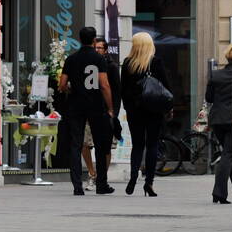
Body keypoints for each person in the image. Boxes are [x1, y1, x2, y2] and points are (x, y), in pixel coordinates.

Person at [57, 26, 115, 196]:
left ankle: (77, 186)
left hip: (75, 105)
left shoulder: (71, 58)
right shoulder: (99, 59)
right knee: (100, 144)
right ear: (94, 40)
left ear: (80, 39)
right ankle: (101, 184)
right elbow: (104, 84)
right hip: (95, 105)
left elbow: (62, 84)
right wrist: (110, 107)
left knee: (76, 144)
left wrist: (71, 90)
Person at [121, 32, 171, 197]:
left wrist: (129, 108)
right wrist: (168, 108)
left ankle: (134, 177)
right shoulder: (156, 62)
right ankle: (149, 182)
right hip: (154, 110)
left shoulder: (128, 63)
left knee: (137, 145)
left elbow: (123, 90)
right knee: (152, 145)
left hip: (135, 111)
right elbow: (165, 87)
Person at [78, 36, 123, 184]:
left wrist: (113, 112)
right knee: (85, 143)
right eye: (95, 47)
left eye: (99, 48)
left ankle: (101, 175)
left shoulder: (112, 67)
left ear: (105, 50)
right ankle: (92, 172)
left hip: (105, 111)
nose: (96, 50)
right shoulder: (86, 63)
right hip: (89, 109)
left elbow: (116, 91)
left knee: (106, 146)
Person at [205, 44, 232, 204]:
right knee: (229, 155)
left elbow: (209, 98)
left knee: (230, 155)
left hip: (217, 120)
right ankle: (218, 193)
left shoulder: (216, 75)